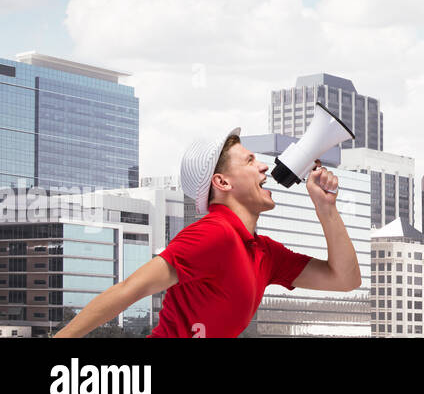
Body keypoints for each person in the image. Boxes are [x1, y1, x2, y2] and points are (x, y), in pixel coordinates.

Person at [55, 127, 361, 338]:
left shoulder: (264, 252)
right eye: (250, 160)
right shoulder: (214, 233)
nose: (265, 167)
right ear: (223, 182)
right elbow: (129, 290)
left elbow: (345, 279)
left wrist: (326, 209)